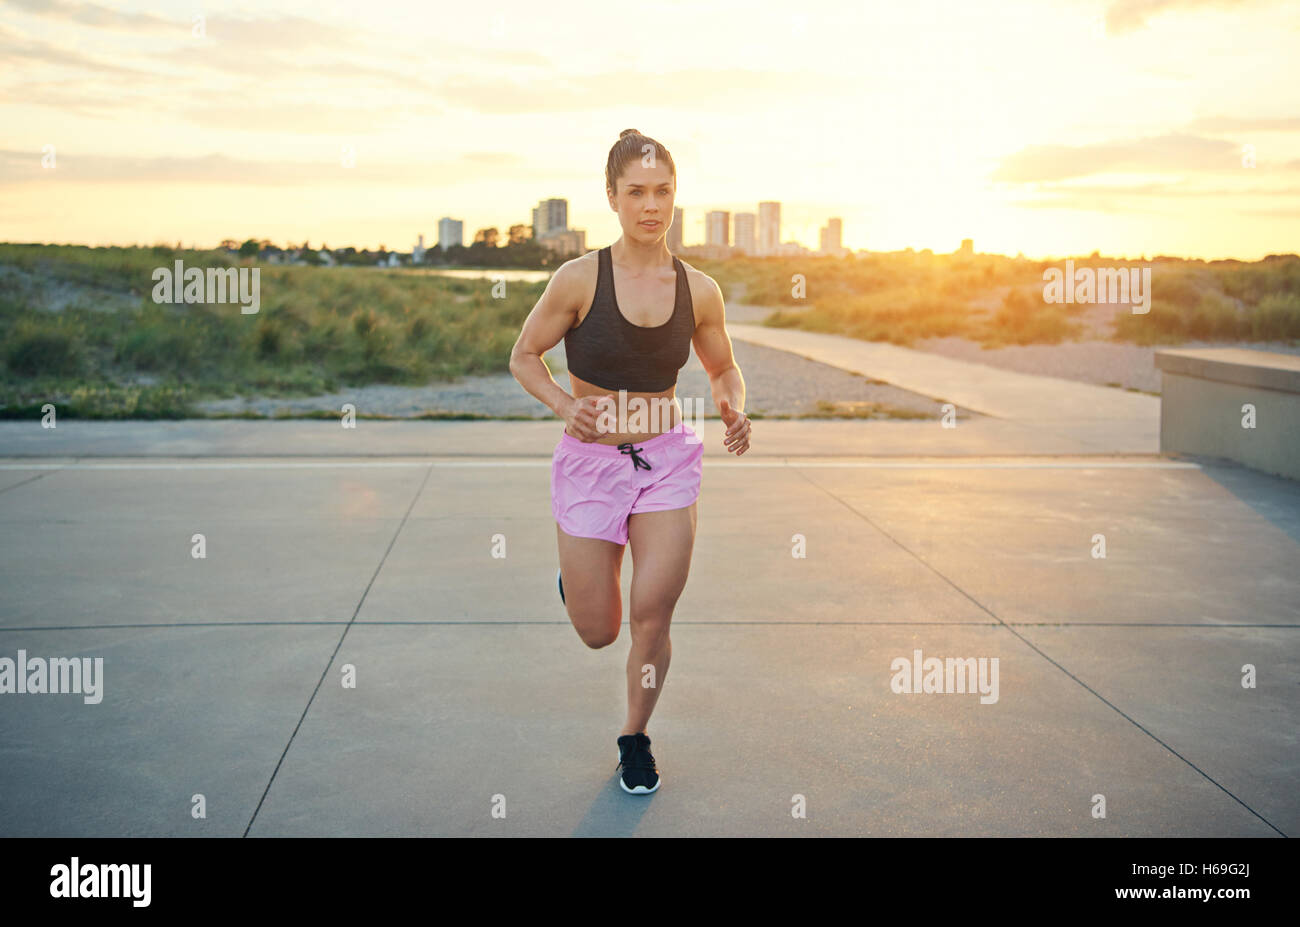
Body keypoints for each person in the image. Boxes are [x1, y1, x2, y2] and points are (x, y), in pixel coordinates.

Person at [509, 129, 751, 794]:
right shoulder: (578, 279)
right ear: (612, 196)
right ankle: (578, 580)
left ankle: (634, 737)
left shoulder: (699, 289)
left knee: (652, 612)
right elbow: (524, 356)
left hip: (667, 463)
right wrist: (564, 405)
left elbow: (724, 367)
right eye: (637, 191)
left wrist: (731, 405)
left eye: (663, 190)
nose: (652, 204)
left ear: (676, 195)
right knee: (599, 629)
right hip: (590, 464)